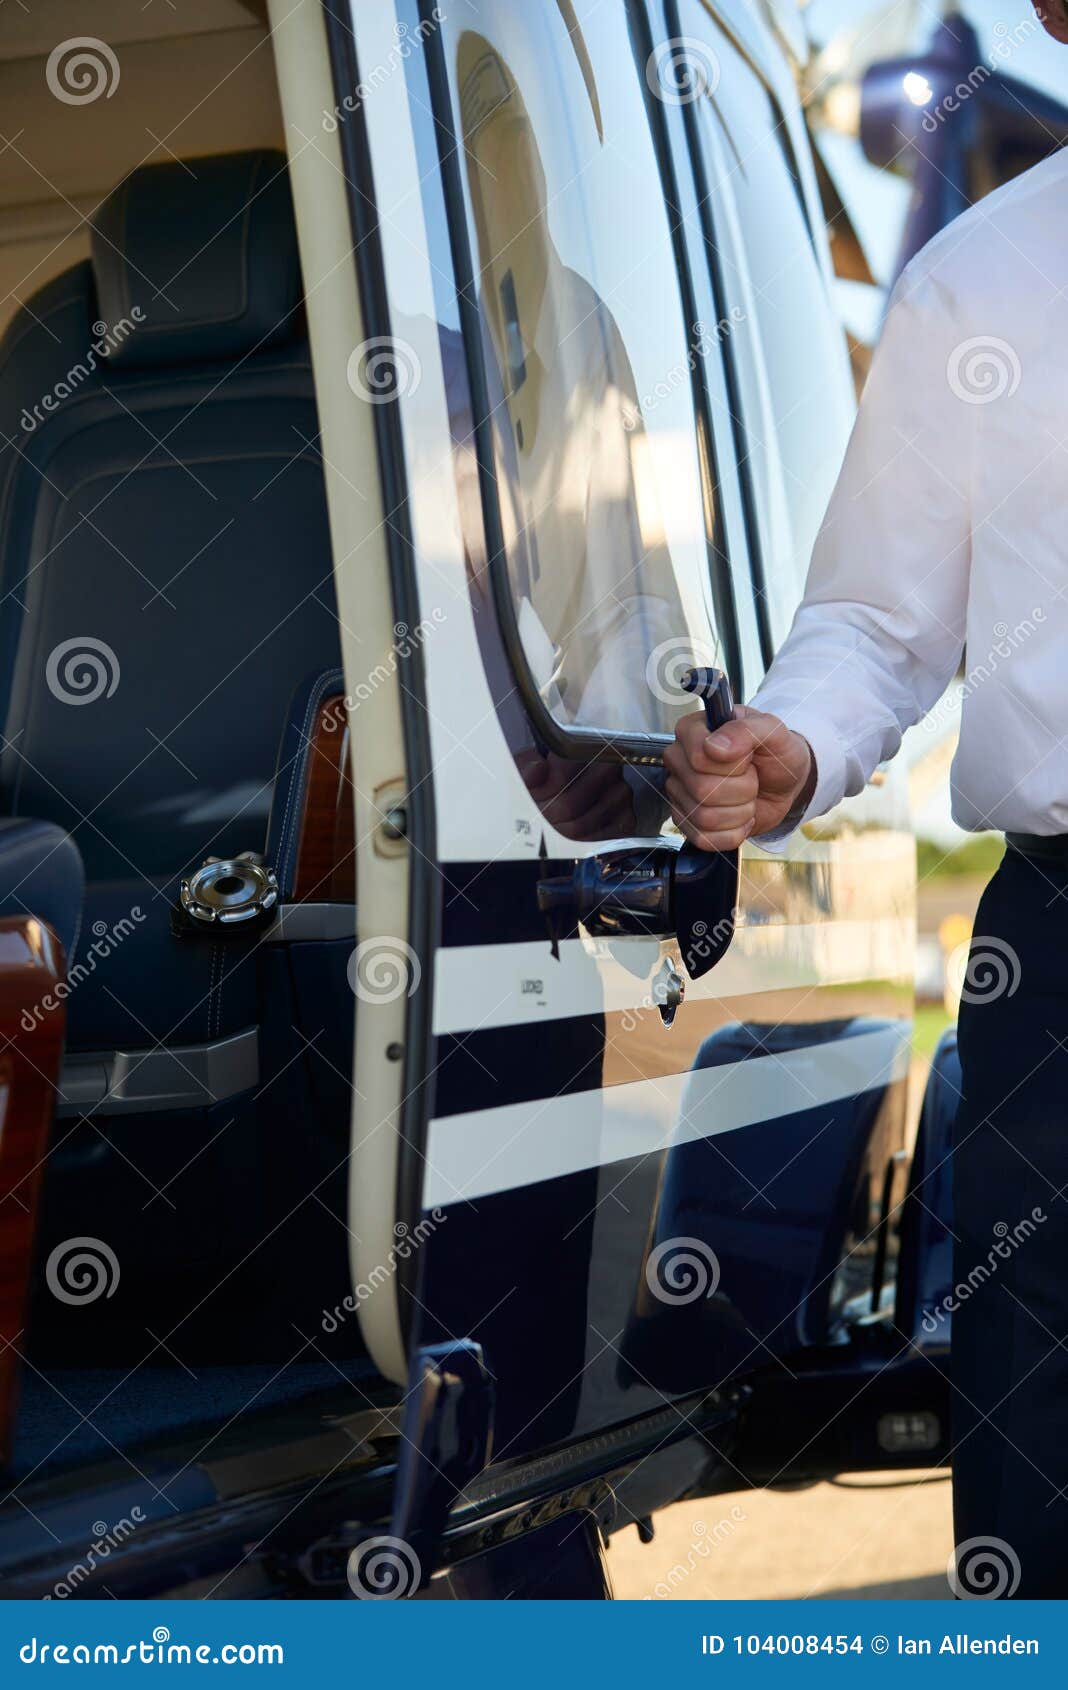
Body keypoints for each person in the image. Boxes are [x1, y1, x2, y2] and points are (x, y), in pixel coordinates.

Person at [665, 1, 1068, 1600]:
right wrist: (798, 737)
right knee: (1046, 1438)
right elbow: (882, 624)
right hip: (1064, 943)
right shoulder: (975, 284)